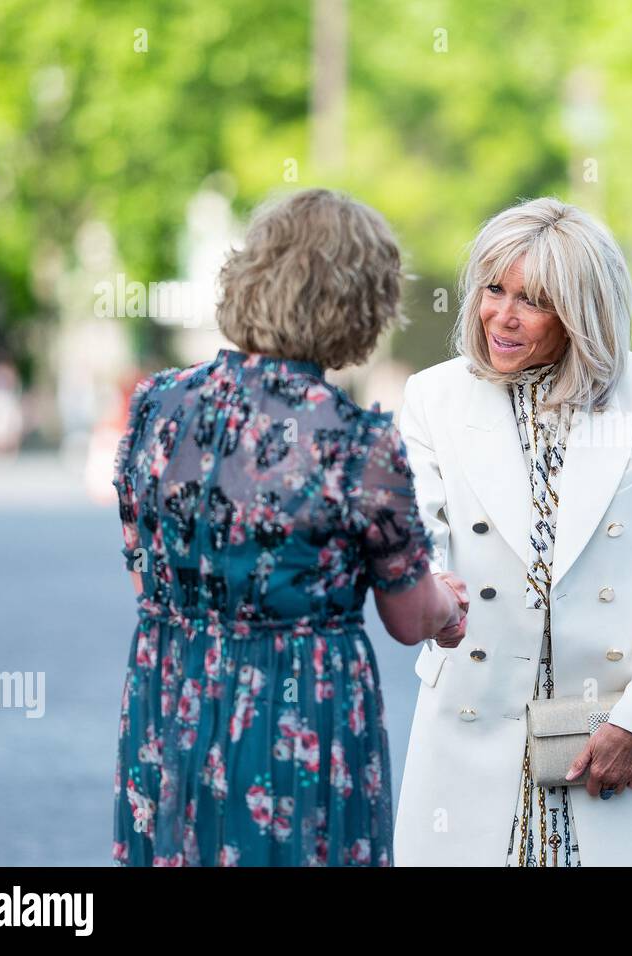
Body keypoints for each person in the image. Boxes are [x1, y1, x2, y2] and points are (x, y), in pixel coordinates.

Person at [110, 189, 467, 867]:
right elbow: (408, 614)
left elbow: (140, 562)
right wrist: (449, 607)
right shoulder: (356, 444)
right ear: (363, 305)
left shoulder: (158, 404)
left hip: (171, 691)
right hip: (299, 708)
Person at [393, 197, 632, 866]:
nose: (500, 316)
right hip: (470, 732)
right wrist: (430, 585)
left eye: (532, 300)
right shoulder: (432, 396)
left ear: (580, 311)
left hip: (611, 740)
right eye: (493, 288)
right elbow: (420, 536)